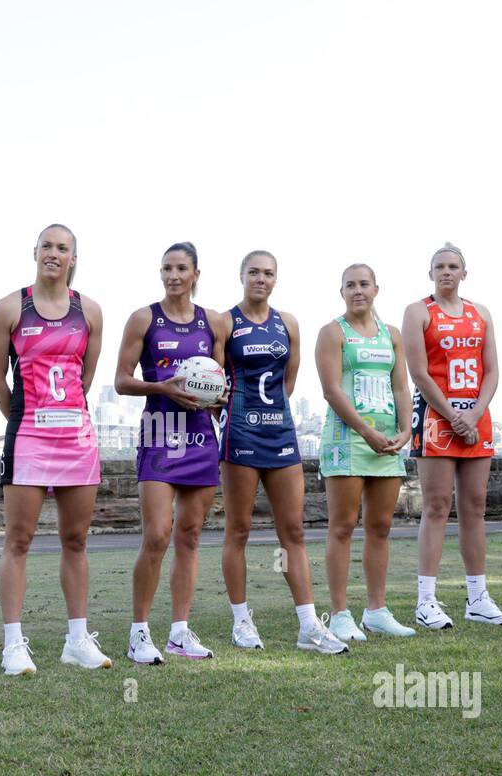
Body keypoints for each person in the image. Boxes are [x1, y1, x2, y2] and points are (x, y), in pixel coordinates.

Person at [0, 224, 108, 676]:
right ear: (34, 253)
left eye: (63, 248)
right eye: (47, 246)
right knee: (18, 541)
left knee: (75, 541)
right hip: (29, 438)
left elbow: (86, 379)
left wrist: (64, 418)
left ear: (73, 258)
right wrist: (22, 422)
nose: (53, 254)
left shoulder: (90, 311)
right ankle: (13, 645)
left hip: (76, 439)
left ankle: (77, 640)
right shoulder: (8, 309)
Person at [220, 251, 346, 654]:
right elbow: (214, 377)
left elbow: (287, 384)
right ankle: (241, 621)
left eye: (268, 273)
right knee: (238, 530)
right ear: (242, 276)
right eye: (254, 272)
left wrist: (271, 417)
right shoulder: (226, 322)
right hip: (240, 432)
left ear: (276, 279)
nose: (261, 278)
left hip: (281, 434)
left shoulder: (287, 322)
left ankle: (308, 625)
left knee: (292, 531)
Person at [114, 243, 230, 663]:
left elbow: (216, 384)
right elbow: (121, 381)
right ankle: (139, 633)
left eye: (181, 268)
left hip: (200, 435)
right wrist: (162, 388)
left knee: (191, 536)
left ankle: (179, 632)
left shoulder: (213, 322)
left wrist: (218, 396)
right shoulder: (144, 318)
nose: (173, 275)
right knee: (157, 535)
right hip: (159, 434)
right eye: (166, 268)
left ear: (196, 273)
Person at [403, 243, 502, 628]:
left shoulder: (481, 313)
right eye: (439, 266)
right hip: (436, 418)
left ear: (464, 273)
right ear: (430, 273)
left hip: (475, 417)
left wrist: (476, 413)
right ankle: (426, 600)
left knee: (475, 508)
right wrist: (453, 415)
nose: (446, 272)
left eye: (453, 266)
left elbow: (492, 371)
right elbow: (418, 372)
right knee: (435, 507)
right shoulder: (418, 312)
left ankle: (478, 597)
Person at [316, 263, 416, 640]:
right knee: (343, 527)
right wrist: (364, 431)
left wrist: (406, 429)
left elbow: (401, 388)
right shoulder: (332, 333)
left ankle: (376, 610)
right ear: (341, 291)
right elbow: (331, 390)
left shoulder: (391, 335)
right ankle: (340, 613)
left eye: (364, 284)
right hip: (348, 441)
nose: (358, 290)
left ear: (376, 289)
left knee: (381, 527)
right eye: (350, 285)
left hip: (387, 442)